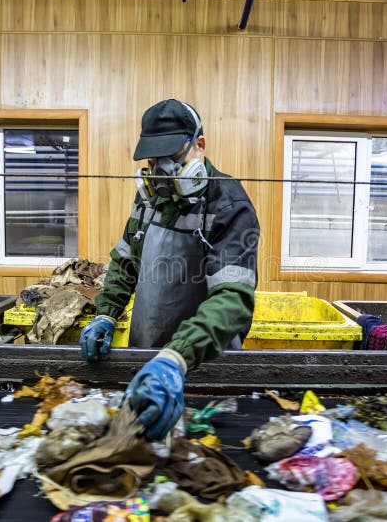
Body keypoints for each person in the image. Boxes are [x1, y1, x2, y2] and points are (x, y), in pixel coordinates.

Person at [79, 98, 260, 440]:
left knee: (204, 451)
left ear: (199, 146)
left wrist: (176, 359)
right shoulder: (150, 199)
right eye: (153, 160)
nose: (161, 170)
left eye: (171, 158)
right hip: (148, 360)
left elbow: (233, 299)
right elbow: (125, 260)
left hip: (205, 370)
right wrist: (105, 314)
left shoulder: (230, 205)